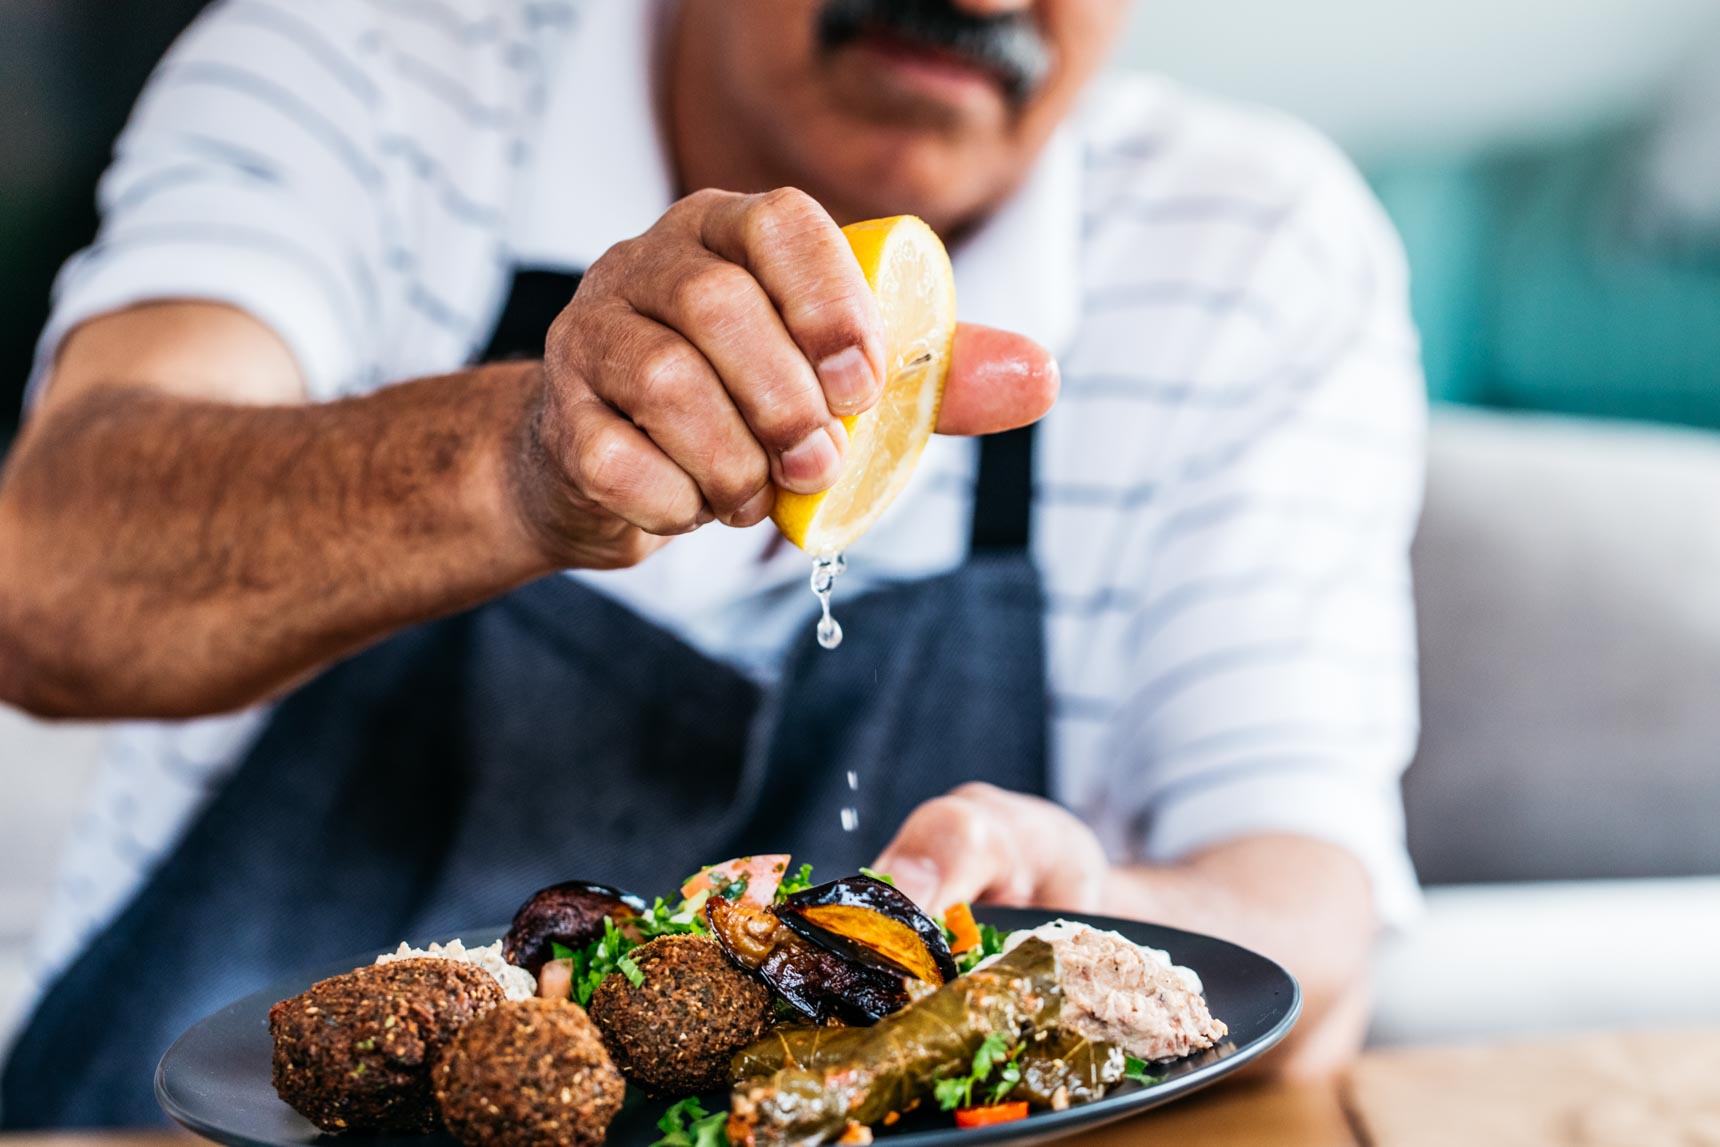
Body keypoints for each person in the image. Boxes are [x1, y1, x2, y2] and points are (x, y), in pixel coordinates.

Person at [0, 0, 1425, 1125]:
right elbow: (46, 584)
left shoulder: (1254, 249)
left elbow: (1314, 935)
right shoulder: (361, 70)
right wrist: (521, 462)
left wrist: (1078, 939)